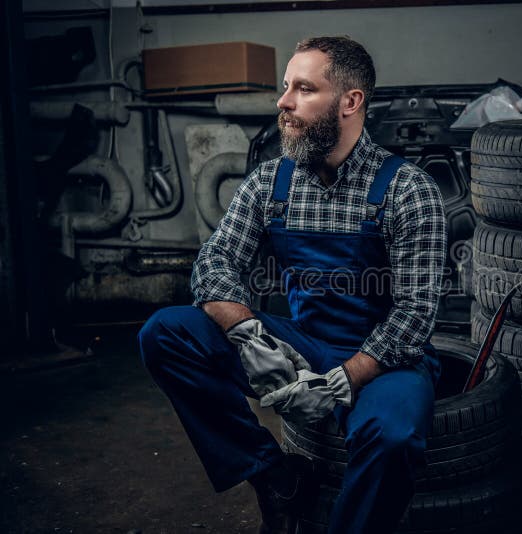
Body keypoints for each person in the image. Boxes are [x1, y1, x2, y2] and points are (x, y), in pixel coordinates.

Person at [138, 36, 446, 534]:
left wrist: (346, 378)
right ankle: (276, 477)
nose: (283, 102)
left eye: (304, 89)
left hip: (385, 359)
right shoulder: (269, 183)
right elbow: (213, 265)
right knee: (166, 333)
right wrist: (250, 336)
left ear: (350, 101)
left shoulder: (408, 190)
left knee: (392, 435)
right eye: (286, 87)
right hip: (301, 346)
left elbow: (415, 313)